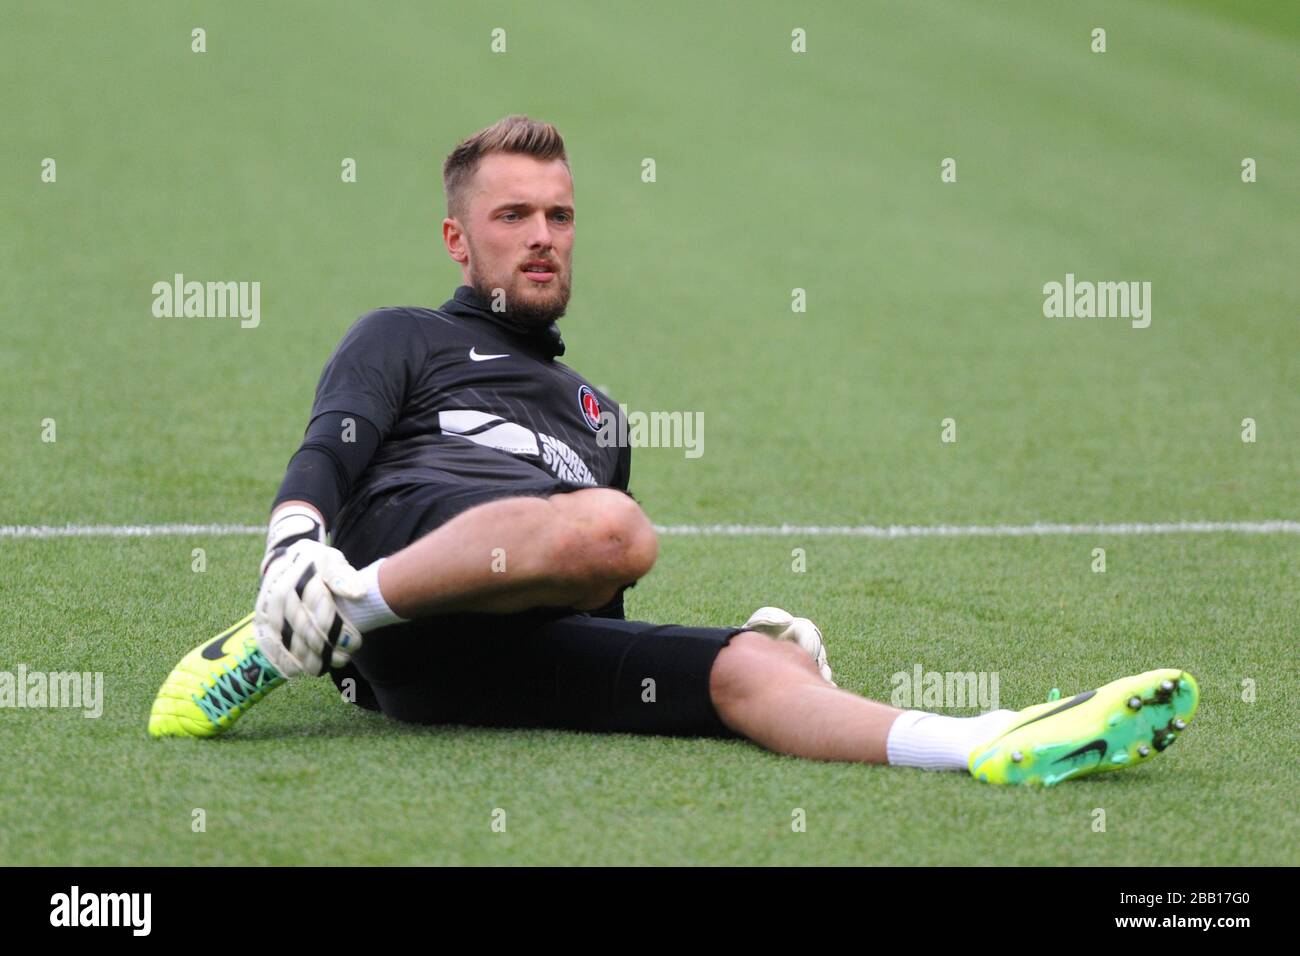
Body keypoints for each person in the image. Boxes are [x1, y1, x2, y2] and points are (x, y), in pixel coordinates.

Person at [149, 116, 1198, 786]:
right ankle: (321, 613)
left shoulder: (597, 413)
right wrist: (295, 546)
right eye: (512, 215)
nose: (543, 234)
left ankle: (979, 740)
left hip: (477, 661)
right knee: (612, 526)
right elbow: (330, 443)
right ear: (458, 242)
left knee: (761, 659)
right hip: (403, 557)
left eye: (559, 214)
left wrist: (733, 639)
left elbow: (585, 589)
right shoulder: (404, 335)